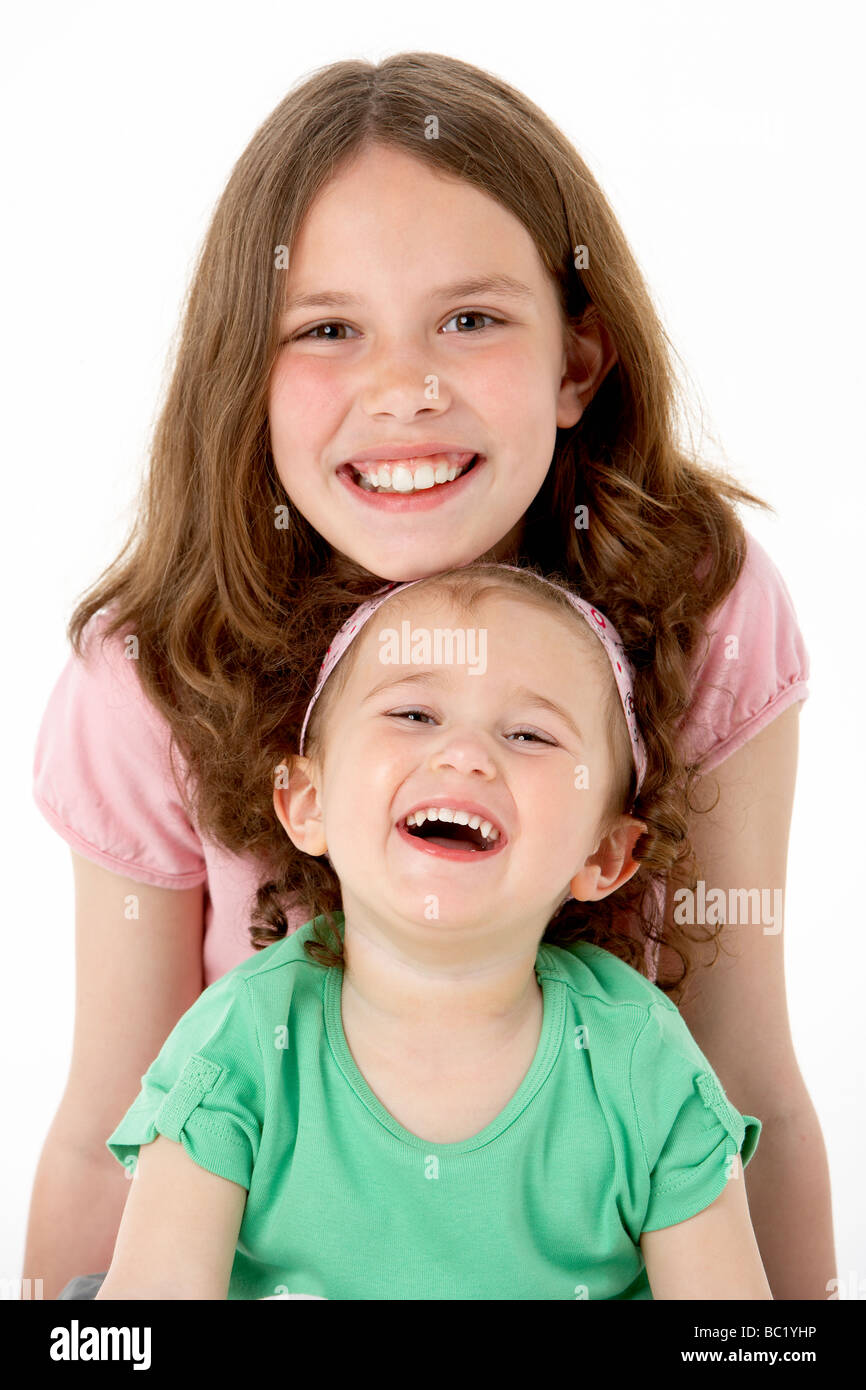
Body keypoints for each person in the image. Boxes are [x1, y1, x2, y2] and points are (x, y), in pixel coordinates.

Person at [27, 52, 831, 1301]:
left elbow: (747, 1079)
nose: (404, 387)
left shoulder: (700, 605)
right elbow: (108, 1126)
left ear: (577, 361)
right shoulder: (153, 675)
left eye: (469, 317)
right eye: (328, 328)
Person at [94, 565, 770, 1300]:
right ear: (307, 800)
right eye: (414, 715)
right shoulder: (243, 1043)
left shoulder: (642, 1062)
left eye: (529, 733)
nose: (465, 754)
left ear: (606, 854)